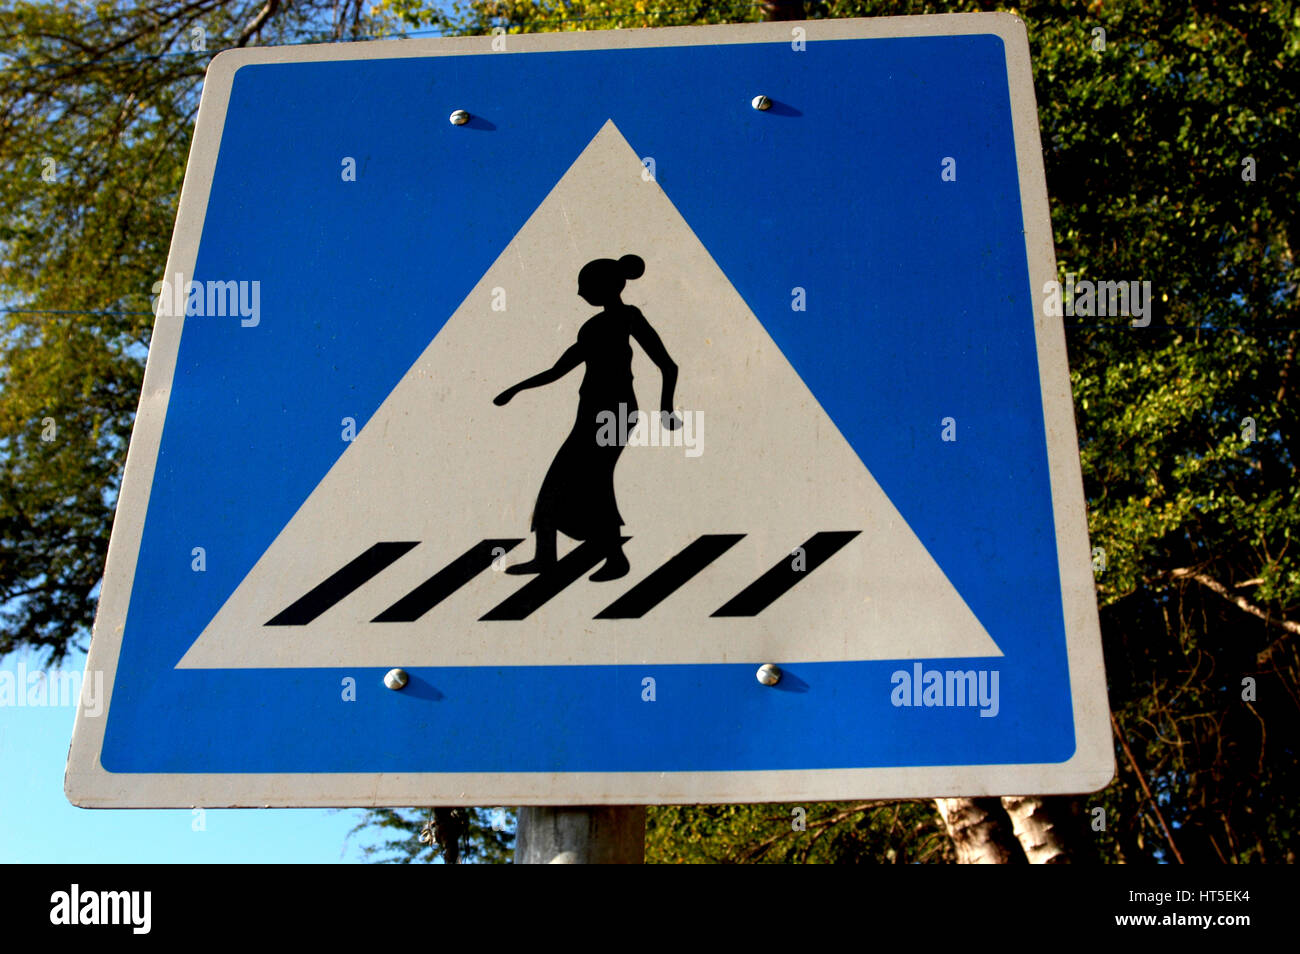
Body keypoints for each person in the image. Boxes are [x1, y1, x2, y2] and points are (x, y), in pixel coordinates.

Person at [493, 254, 679, 581]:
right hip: (590, 413)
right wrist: (515, 389)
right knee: (561, 483)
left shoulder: (628, 317)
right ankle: (547, 558)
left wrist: (667, 409)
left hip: (616, 412)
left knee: (594, 482)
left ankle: (614, 559)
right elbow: (557, 370)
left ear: (604, 287)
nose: (580, 294)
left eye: (585, 287)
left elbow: (668, 365)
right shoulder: (592, 327)